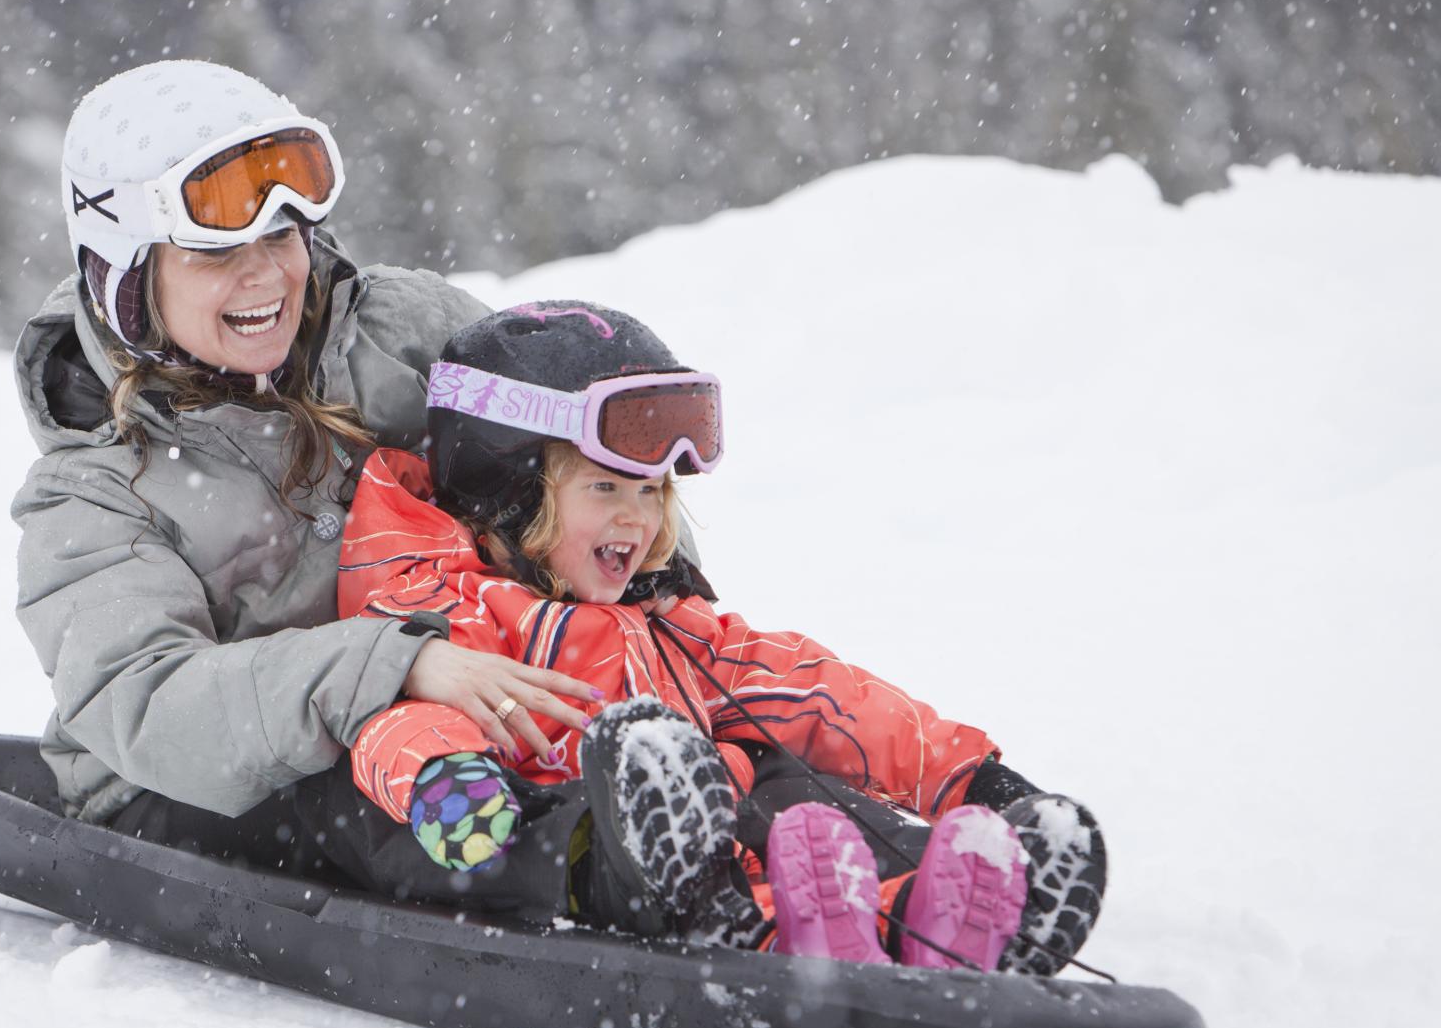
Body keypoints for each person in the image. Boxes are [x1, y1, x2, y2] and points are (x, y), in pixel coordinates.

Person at [323, 302, 1108, 974]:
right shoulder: (450, 613)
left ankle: (956, 912)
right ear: (510, 488)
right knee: (644, 792)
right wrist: (444, 775)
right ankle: (775, 929)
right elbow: (395, 711)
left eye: (652, 491)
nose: (638, 518)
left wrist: (972, 779)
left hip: (708, 819)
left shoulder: (666, 622)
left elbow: (819, 692)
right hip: (571, 846)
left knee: (796, 790)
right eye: (605, 487)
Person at [11, 60, 603, 870]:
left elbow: (593, 471)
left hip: (461, 716)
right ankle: (596, 870)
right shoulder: (93, 491)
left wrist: (650, 607)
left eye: (281, 236)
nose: (266, 276)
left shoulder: (409, 337)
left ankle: (777, 822)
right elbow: (147, 704)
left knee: (677, 710)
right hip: (194, 796)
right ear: (128, 275)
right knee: (415, 802)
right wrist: (390, 668)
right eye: (215, 253)